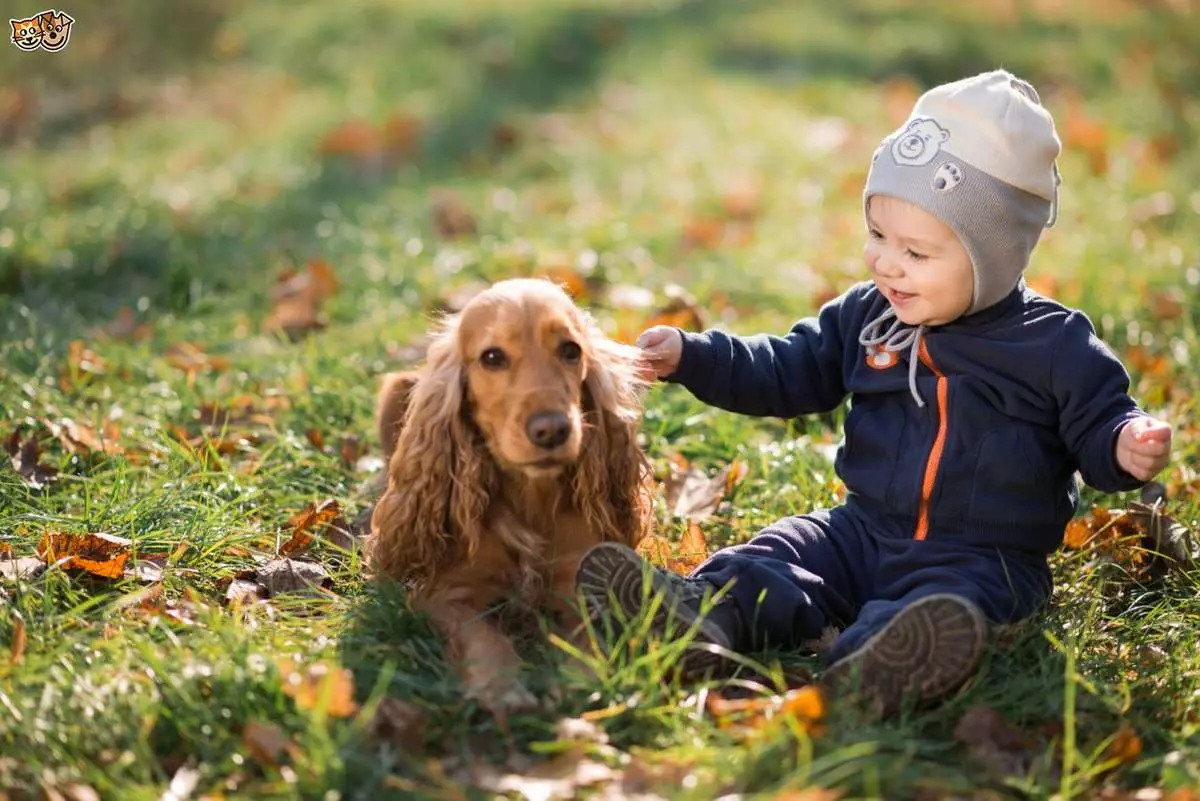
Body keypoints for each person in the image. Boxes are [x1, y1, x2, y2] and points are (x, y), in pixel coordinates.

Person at [573, 69, 1173, 717]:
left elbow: (1098, 422)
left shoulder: (1051, 343)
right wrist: (698, 356)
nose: (886, 262)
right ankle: (699, 617)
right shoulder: (869, 316)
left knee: (947, 603)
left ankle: (886, 658)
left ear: (996, 256)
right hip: (861, 528)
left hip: (981, 558)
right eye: (878, 235)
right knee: (779, 549)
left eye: (916, 251)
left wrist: (1123, 443)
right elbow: (787, 368)